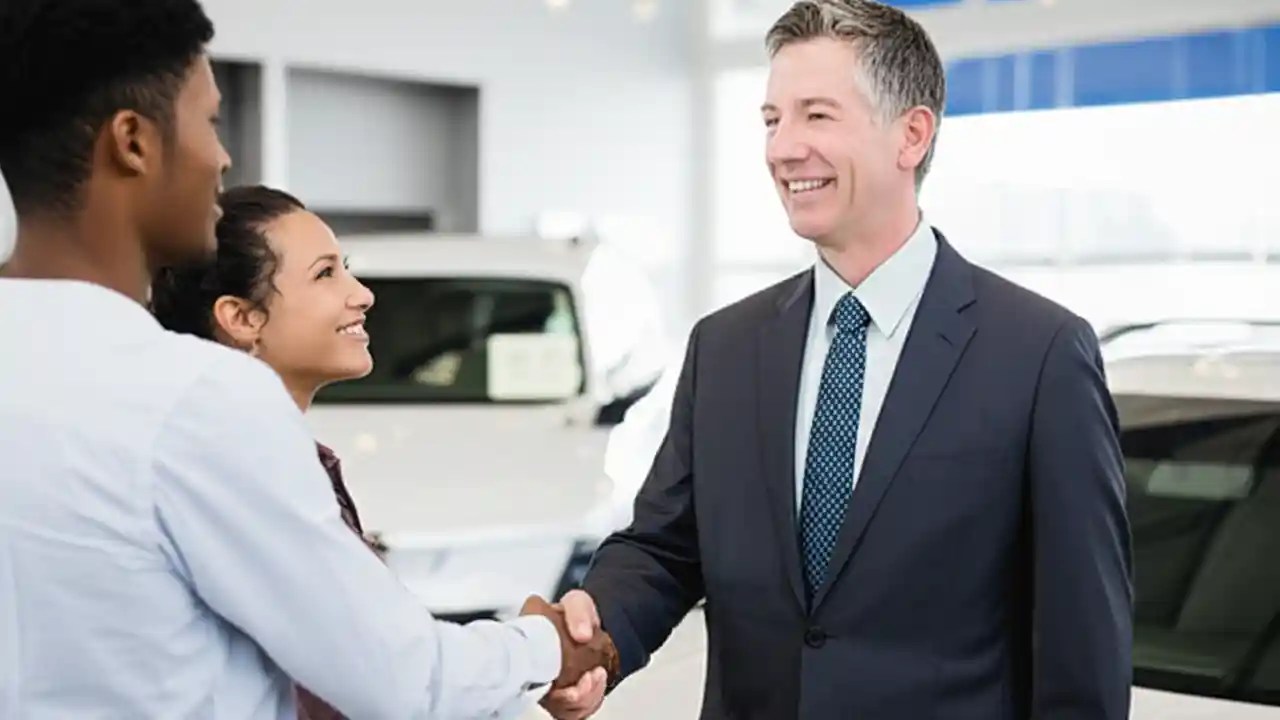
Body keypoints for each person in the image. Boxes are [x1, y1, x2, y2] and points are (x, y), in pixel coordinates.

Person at [0, 1, 613, 718]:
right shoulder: (196, 398)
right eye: (209, 122)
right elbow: (400, 680)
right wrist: (545, 646)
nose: (222, 158)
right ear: (133, 143)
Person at [541, 1, 1134, 718]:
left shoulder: (1039, 354)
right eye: (771, 119)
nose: (783, 148)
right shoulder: (725, 348)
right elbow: (666, 550)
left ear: (911, 135)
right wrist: (593, 636)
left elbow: (1081, 643)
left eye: (816, 116)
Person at [149, 184, 385, 719]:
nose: (362, 293)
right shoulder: (241, 474)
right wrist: (541, 651)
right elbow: (377, 671)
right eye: (326, 274)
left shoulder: (276, 457)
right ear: (242, 318)